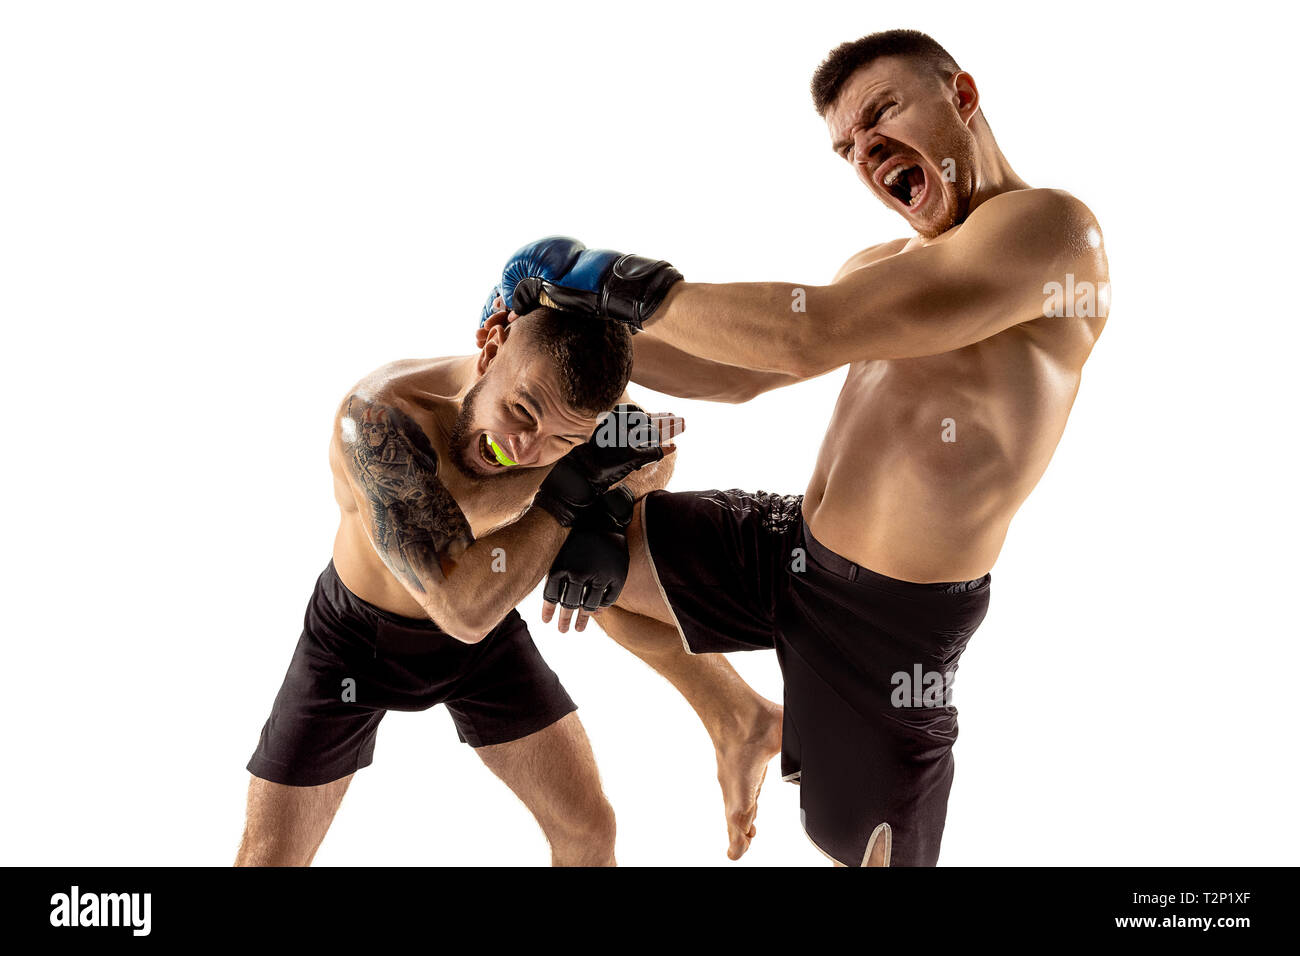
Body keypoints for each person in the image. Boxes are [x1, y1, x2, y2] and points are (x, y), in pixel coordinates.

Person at [487, 28, 1110, 866]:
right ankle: (738, 718)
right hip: (791, 549)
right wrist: (565, 326)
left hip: (890, 626)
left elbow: (810, 334)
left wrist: (610, 277)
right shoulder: (885, 263)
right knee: (576, 548)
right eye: (848, 145)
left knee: (864, 851)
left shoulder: (1051, 232)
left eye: (883, 112)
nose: (867, 150)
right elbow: (740, 372)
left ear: (961, 96)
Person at [236, 305, 682, 866]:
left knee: (590, 828)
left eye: (563, 440)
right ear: (492, 349)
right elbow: (462, 610)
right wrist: (570, 493)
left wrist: (609, 514)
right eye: (520, 411)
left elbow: (655, 450)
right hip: (354, 644)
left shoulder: (572, 406)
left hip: (484, 642)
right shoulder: (378, 418)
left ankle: (739, 720)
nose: (525, 447)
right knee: (268, 860)